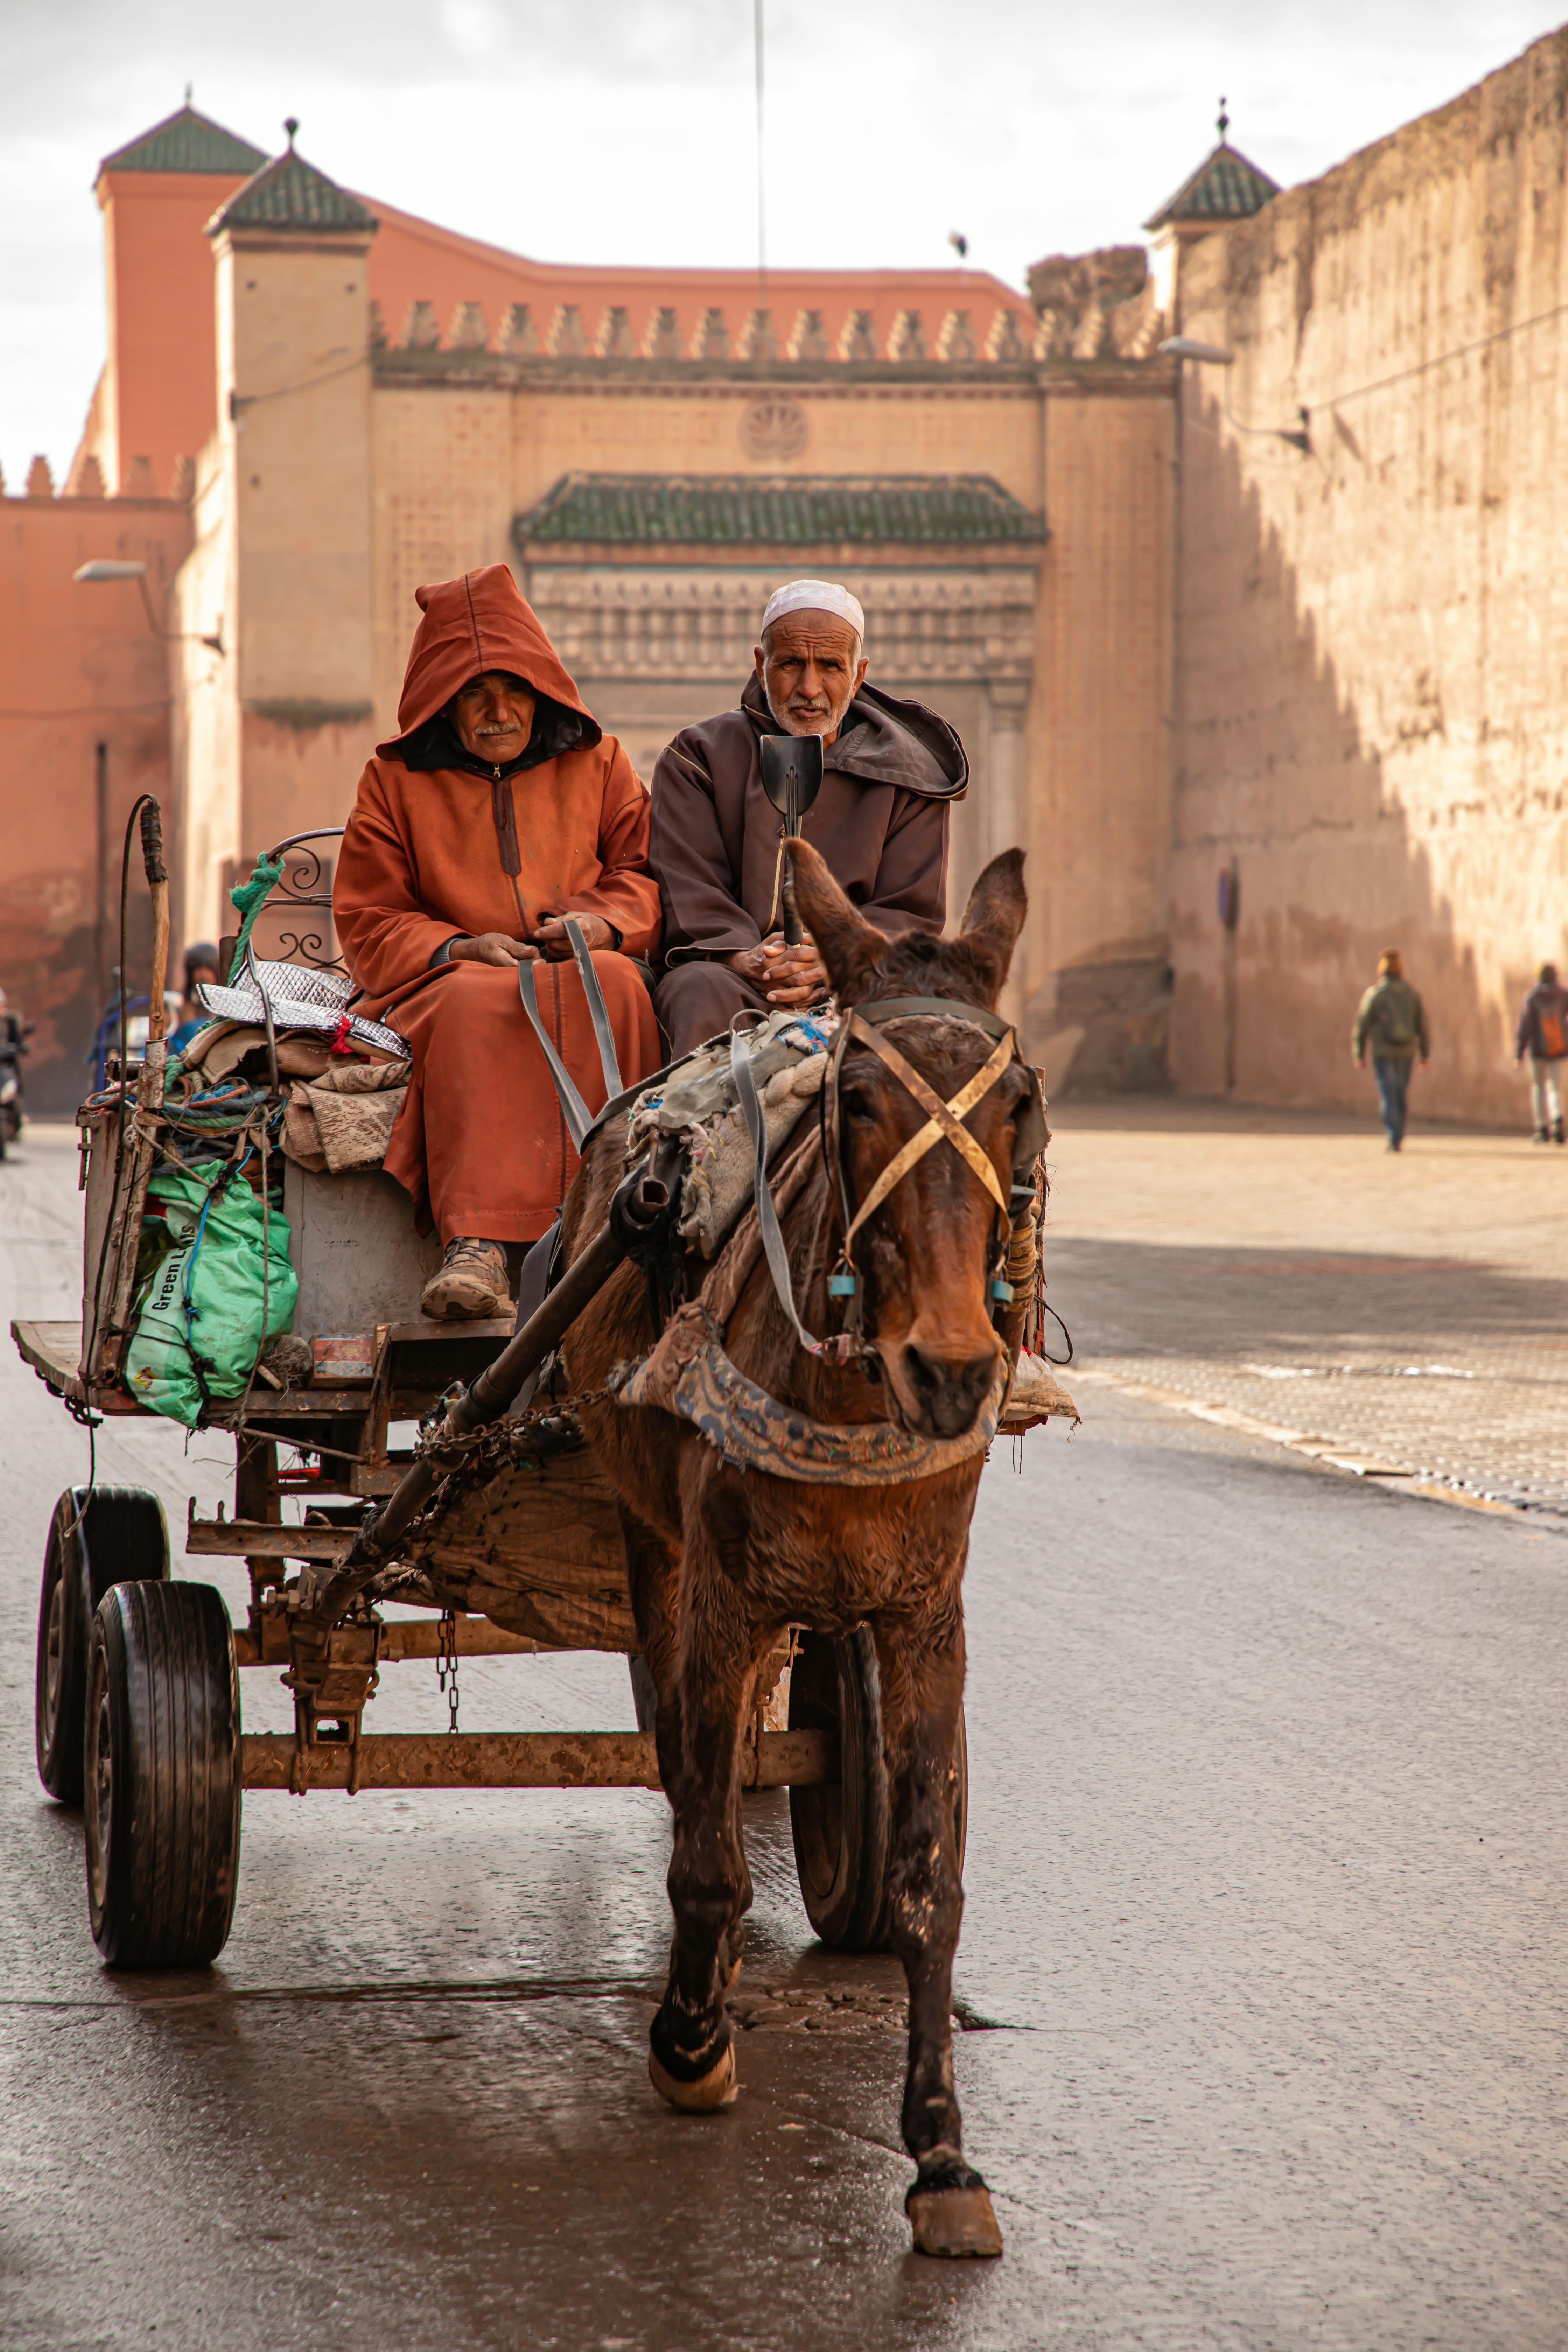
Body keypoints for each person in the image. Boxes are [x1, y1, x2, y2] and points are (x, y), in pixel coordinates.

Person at [334, 565, 663, 1320]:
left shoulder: (602, 762)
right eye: (474, 693)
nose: (497, 711)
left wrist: (601, 923)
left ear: (541, 691)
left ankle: (615, 1229)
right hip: (448, 978)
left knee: (618, 985)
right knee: (475, 1003)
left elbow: (644, 873)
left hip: (582, 962)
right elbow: (371, 916)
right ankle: (477, 1246)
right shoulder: (391, 782)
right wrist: (458, 948)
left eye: (514, 689)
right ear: (442, 702)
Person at [648, 578, 968, 1057]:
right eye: (791, 664)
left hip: (857, 979)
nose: (809, 689)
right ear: (762, 666)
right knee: (696, 989)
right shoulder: (699, 757)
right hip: (733, 976)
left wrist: (835, 958)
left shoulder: (910, 775)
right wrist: (743, 957)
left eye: (831, 667)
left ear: (858, 676)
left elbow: (909, 912)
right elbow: (689, 883)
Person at [1352, 948, 1429, 1152]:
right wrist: (1425, 1054)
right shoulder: (1411, 995)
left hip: (1383, 1052)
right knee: (1400, 1092)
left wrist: (1359, 1052)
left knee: (1388, 1093)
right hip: (1406, 1051)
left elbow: (1363, 1025)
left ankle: (1394, 1134)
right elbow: (1422, 1026)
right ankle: (1399, 1132)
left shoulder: (1376, 994)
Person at [1515, 960, 1568, 1144]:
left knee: (1538, 1087)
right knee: (1556, 1087)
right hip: (1559, 1049)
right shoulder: (1564, 995)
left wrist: (1519, 1052)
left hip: (1537, 1050)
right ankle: (1557, 1120)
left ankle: (1542, 1128)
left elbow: (1526, 1027)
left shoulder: (1532, 997)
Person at [168, 941, 219, 1057]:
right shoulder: (178, 1003)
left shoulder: (227, 1007)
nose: (203, 975)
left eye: (208, 968)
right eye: (198, 968)